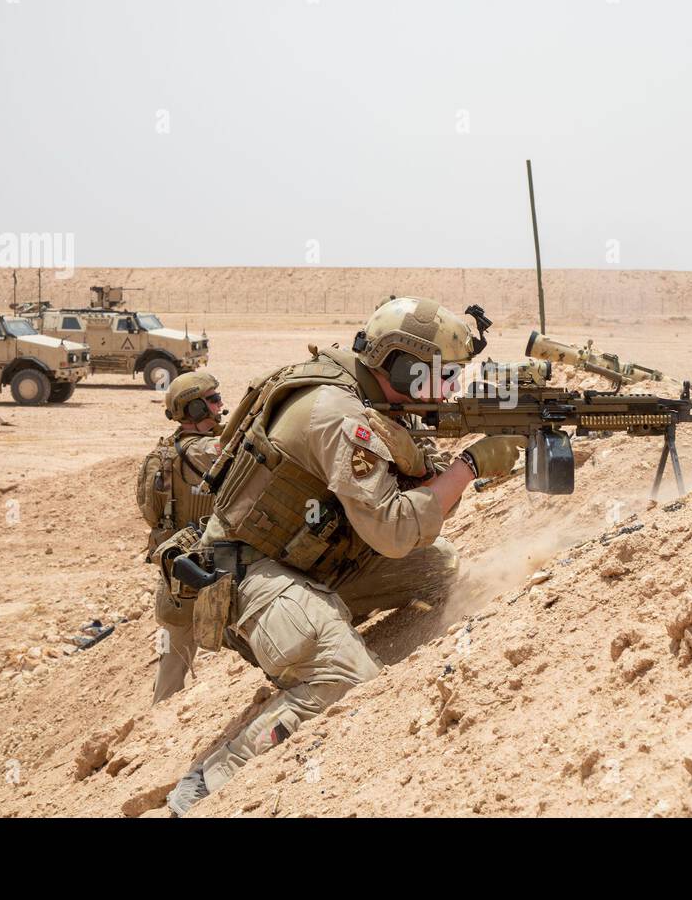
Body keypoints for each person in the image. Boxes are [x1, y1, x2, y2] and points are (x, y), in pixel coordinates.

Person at [163, 298, 523, 815]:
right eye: (443, 376)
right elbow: (397, 531)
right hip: (246, 571)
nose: (450, 389)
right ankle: (206, 784)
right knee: (345, 679)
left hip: (308, 558)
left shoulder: (355, 388)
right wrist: (468, 467)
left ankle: (324, 628)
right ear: (405, 367)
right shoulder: (338, 415)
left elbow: (397, 516)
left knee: (438, 569)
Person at [137, 371, 224, 704]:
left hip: (178, 566)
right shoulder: (204, 451)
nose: (220, 405)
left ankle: (161, 711)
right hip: (203, 566)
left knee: (173, 655)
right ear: (197, 410)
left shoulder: (166, 451)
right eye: (213, 400)